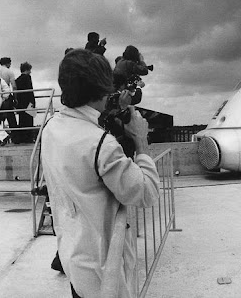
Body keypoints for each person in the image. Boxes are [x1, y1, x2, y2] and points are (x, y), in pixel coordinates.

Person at [41, 49, 159, 297]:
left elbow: (85, 130)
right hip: (103, 274)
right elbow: (146, 193)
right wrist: (141, 141)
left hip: (74, 257)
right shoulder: (101, 145)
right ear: (103, 87)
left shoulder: (51, 128)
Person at [0, 57, 18, 134]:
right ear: (8, 63)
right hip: (6, 96)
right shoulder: (9, 72)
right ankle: (15, 136)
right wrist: (15, 98)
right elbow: (14, 86)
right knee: (11, 117)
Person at [14, 62, 36, 143]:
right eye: (29, 70)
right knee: (29, 120)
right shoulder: (28, 77)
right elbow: (30, 91)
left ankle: (22, 138)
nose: (30, 72)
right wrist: (33, 102)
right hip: (28, 102)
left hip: (20, 103)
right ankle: (29, 138)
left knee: (22, 120)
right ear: (27, 70)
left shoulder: (17, 80)